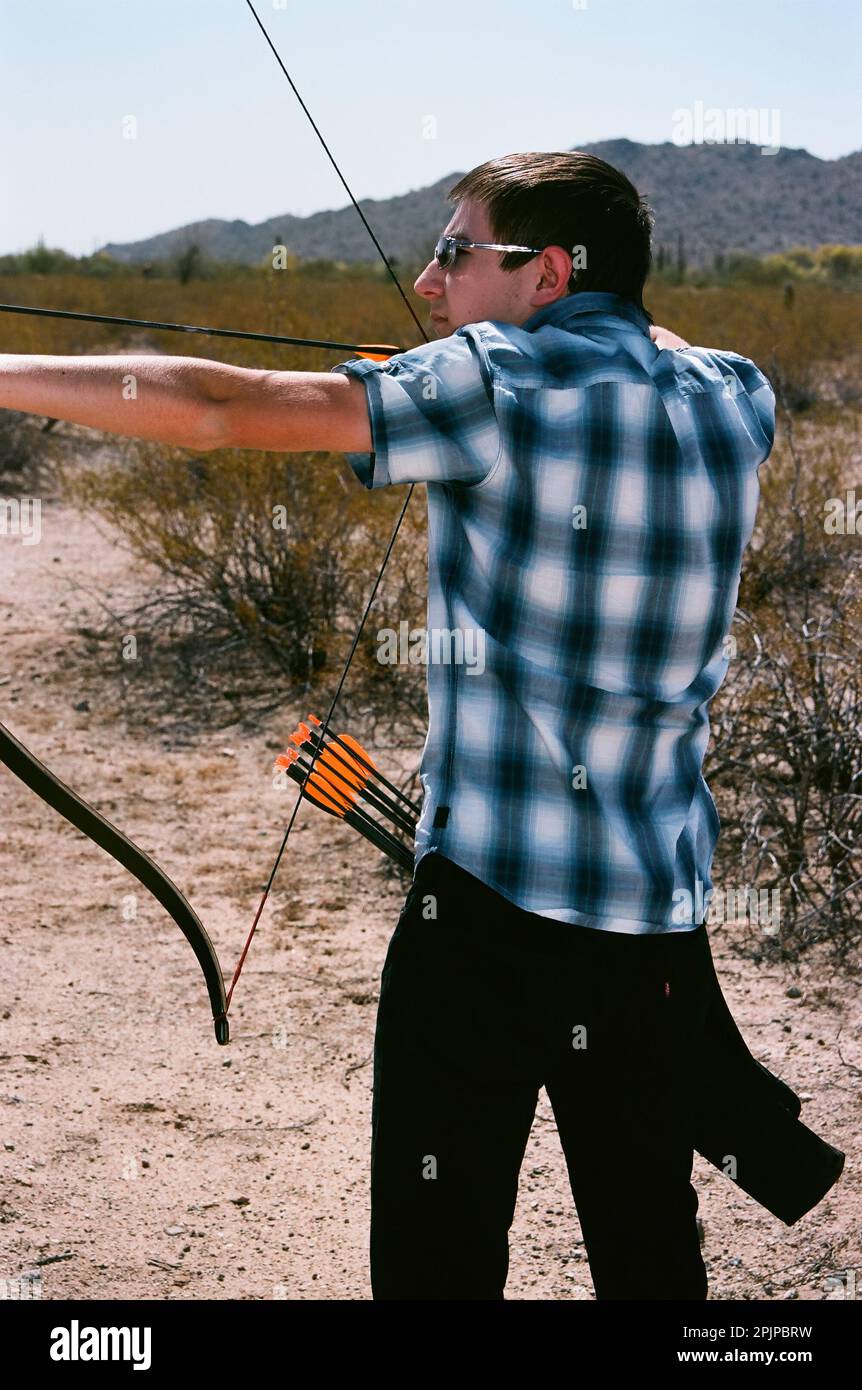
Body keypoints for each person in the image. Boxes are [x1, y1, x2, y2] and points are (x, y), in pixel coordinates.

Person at [0, 150, 777, 1300]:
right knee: (651, 1247)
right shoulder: (738, 394)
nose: (428, 278)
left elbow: (220, 407)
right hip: (653, 926)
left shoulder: (484, 384)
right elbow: (612, 380)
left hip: (484, 921)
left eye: (456, 251)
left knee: (435, 1254)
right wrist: (434, 370)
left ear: (549, 272)